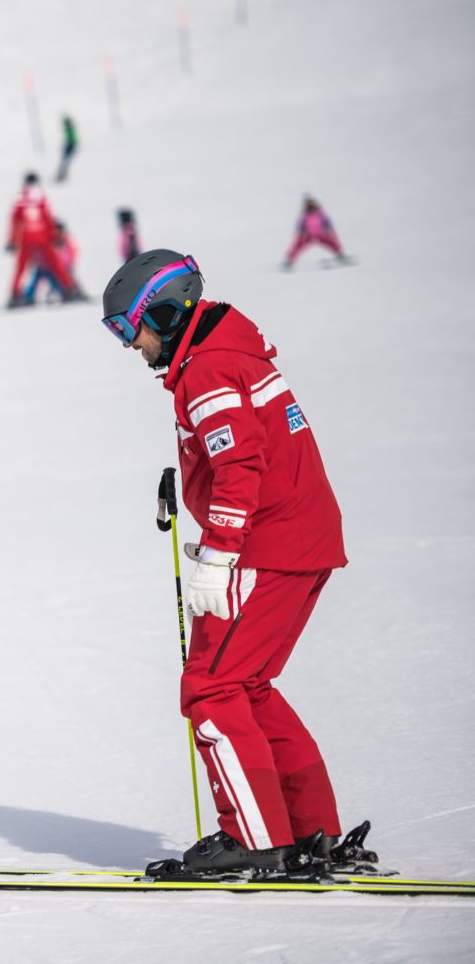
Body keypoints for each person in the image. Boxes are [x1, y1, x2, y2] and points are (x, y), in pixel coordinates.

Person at [101, 249, 361, 874]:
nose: (130, 346)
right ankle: (309, 831)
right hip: (298, 540)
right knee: (248, 688)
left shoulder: (208, 369)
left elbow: (242, 466)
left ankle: (253, 837)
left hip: (268, 546)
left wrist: (220, 556)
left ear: (164, 311)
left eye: (127, 328)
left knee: (213, 689)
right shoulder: (229, 352)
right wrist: (212, 523)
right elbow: (241, 458)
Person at [5, 172, 73, 308]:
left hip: (26, 238)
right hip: (43, 238)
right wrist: (55, 237)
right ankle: (69, 289)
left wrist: (12, 240)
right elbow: (48, 219)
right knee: (55, 264)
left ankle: (14, 295)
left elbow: (15, 221)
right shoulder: (40, 197)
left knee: (21, 268)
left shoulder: (21, 198)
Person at [22, 218, 89, 304]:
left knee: (70, 280)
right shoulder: (49, 241)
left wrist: (68, 263)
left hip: (64, 266)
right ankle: (29, 297)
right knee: (41, 281)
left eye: (57, 230)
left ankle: (75, 293)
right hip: (49, 267)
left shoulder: (65, 240)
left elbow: (71, 252)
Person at [282, 195, 350, 271]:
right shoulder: (305, 215)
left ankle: (340, 256)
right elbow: (300, 225)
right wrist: (300, 234)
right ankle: (289, 261)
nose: (310, 207)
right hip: (308, 235)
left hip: (320, 234)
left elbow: (327, 222)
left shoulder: (320, 213)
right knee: (298, 246)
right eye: (308, 206)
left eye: (311, 205)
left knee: (332, 243)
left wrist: (328, 229)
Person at [55, 113, 78, 183]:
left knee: (65, 161)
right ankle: (62, 175)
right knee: (65, 161)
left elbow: (72, 139)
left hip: (70, 145)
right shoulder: (69, 129)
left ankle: (62, 175)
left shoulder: (69, 129)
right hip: (69, 145)